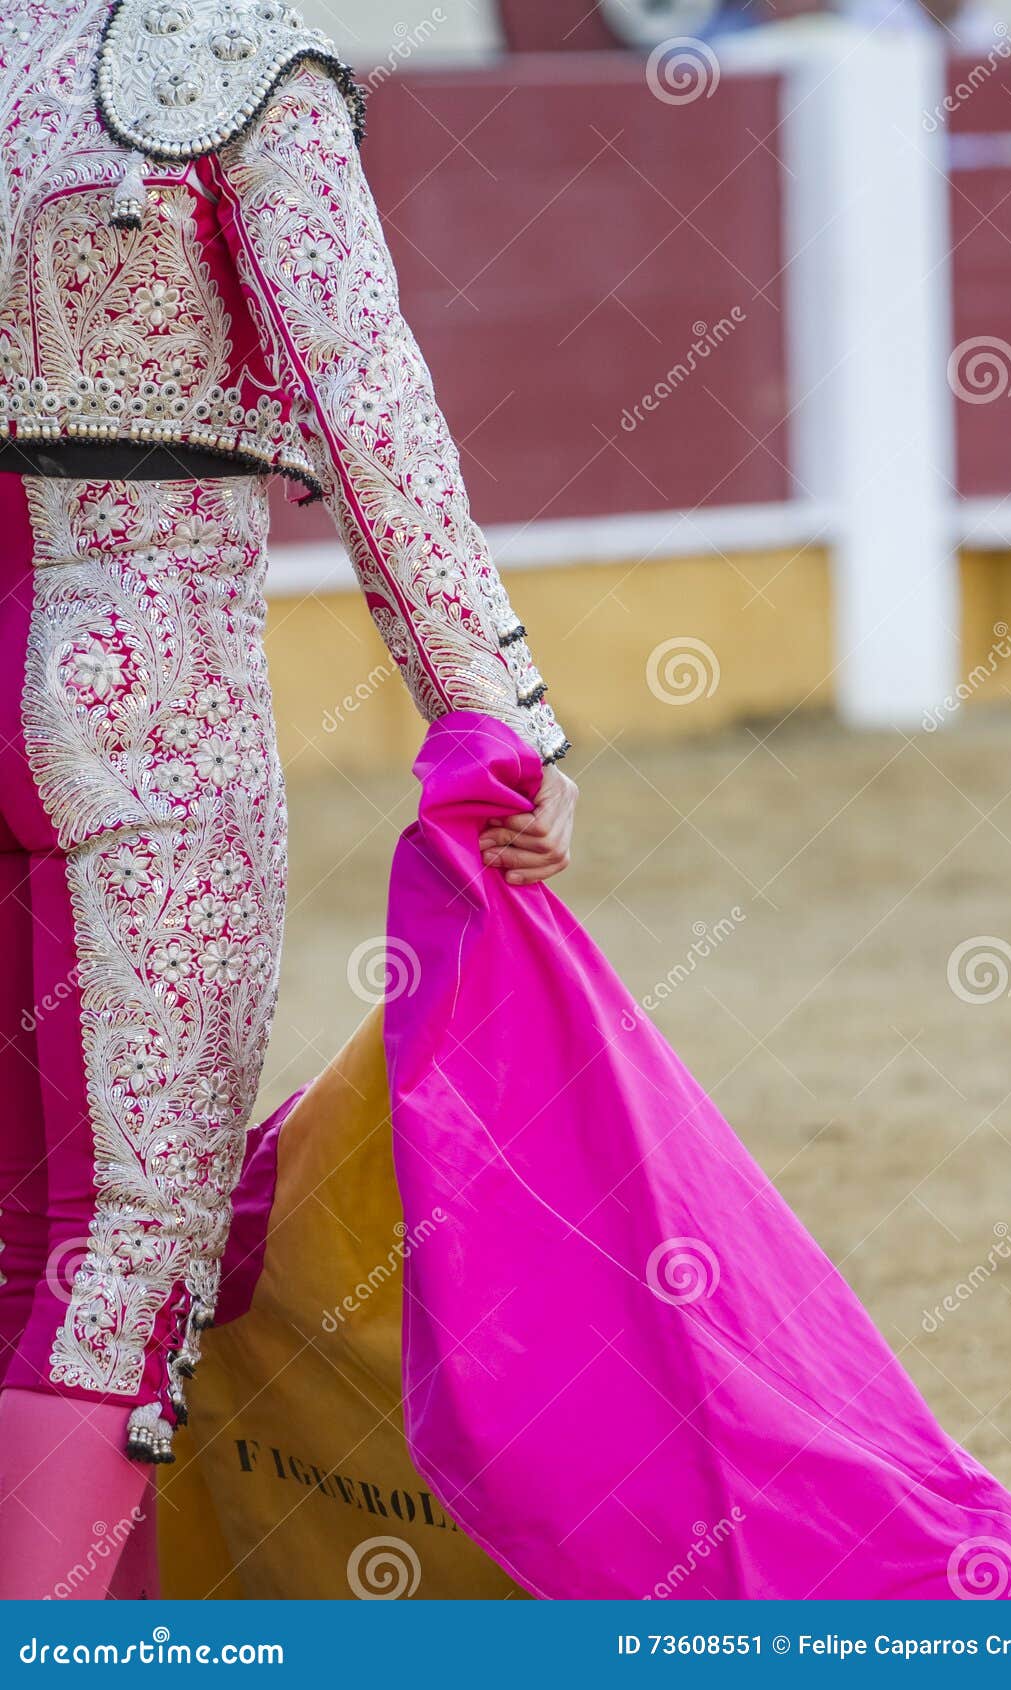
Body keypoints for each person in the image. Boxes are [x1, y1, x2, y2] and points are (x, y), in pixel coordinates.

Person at [0, 0, 576, 1599]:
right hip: (142, 689)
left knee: (16, 1248)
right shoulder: (224, 51)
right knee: (119, 1254)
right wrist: (500, 713)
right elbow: (367, 406)